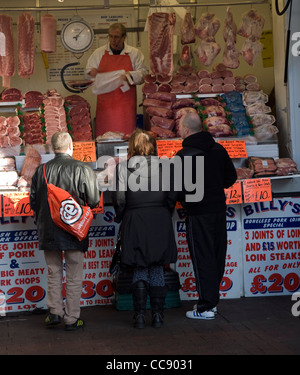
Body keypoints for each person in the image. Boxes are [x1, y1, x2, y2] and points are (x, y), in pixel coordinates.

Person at [30, 131, 100, 331]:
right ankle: (71, 318)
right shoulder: (82, 169)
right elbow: (94, 200)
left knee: (53, 272)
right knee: (74, 274)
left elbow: (34, 202)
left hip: (49, 230)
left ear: (52, 148)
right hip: (74, 230)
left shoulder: (41, 171)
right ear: (71, 146)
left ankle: (54, 312)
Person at [173, 112, 237, 320]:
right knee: (217, 256)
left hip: (198, 213)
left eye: (180, 128)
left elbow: (175, 188)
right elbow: (231, 177)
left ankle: (206, 306)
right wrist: (215, 187)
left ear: (186, 130)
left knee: (203, 258)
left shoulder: (182, 156)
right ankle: (211, 301)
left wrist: (186, 199)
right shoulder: (218, 149)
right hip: (219, 210)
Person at [112, 129, 177, 329]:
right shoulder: (166, 166)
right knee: (157, 266)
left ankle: (139, 316)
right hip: (160, 218)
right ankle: (157, 316)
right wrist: (165, 212)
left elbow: (119, 199)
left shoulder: (123, 167)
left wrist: (122, 216)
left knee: (139, 266)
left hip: (135, 219)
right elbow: (172, 196)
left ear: (132, 146)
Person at [85, 22, 148, 137]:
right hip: (105, 108)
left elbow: (143, 73)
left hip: (125, 108)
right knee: (104, 138)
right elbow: (88, 72)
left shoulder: (134, 53)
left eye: (116, 37)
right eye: (110, 36)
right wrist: (91, 73)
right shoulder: (98, 53)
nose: (113, 40)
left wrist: (129, 75)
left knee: (127, 138)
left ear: (124, 37)